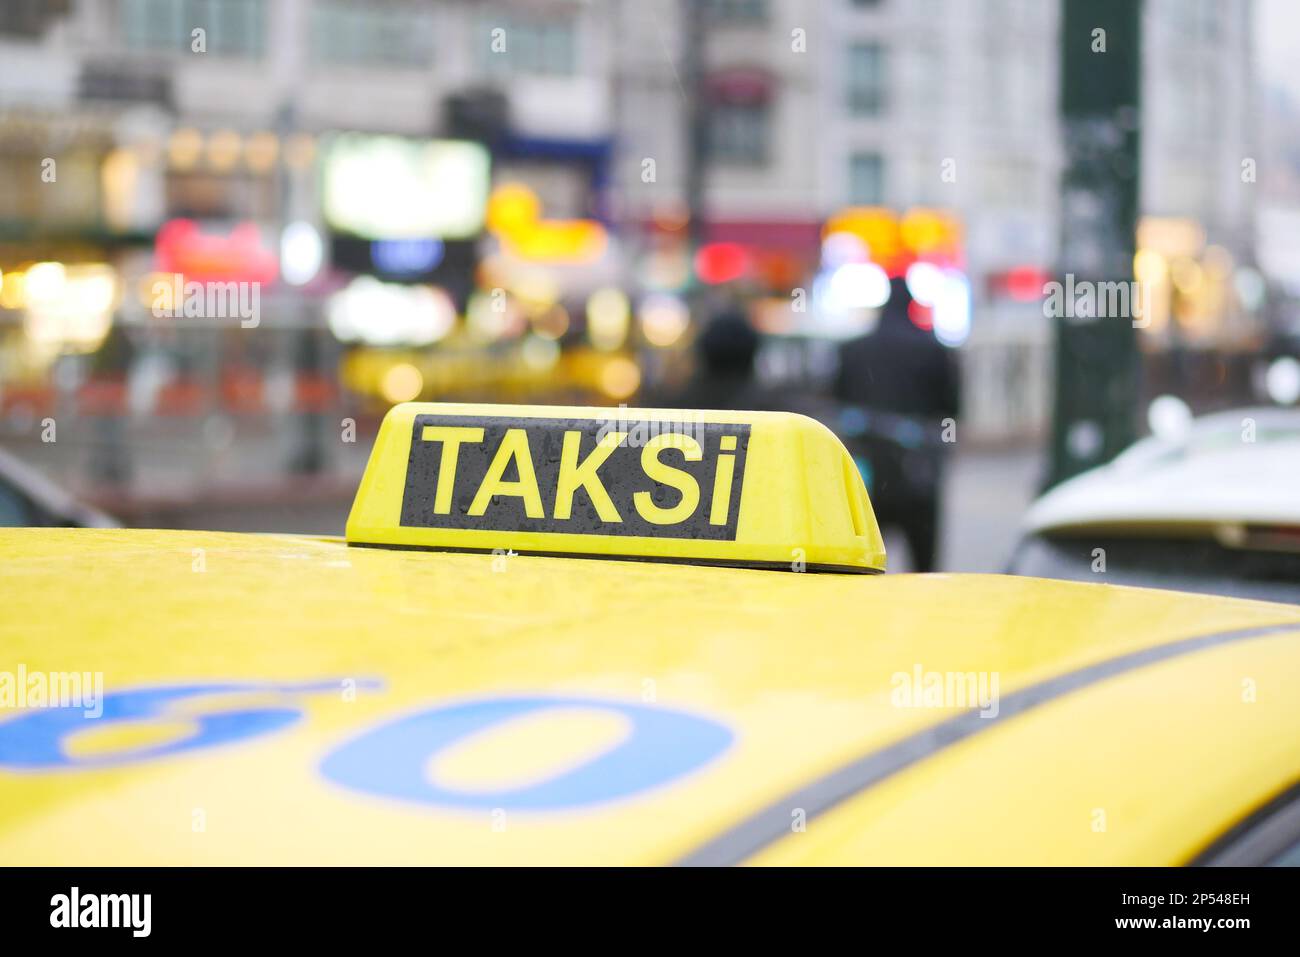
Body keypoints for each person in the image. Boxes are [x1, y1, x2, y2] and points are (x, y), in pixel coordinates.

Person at [834, 276, 959, 572]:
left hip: (866, 476)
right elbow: (951, 408)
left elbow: (838, 400)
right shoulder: (933, 350)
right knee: (924, 570)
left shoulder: (853, 350)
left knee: (860, 569)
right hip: (917, 474)